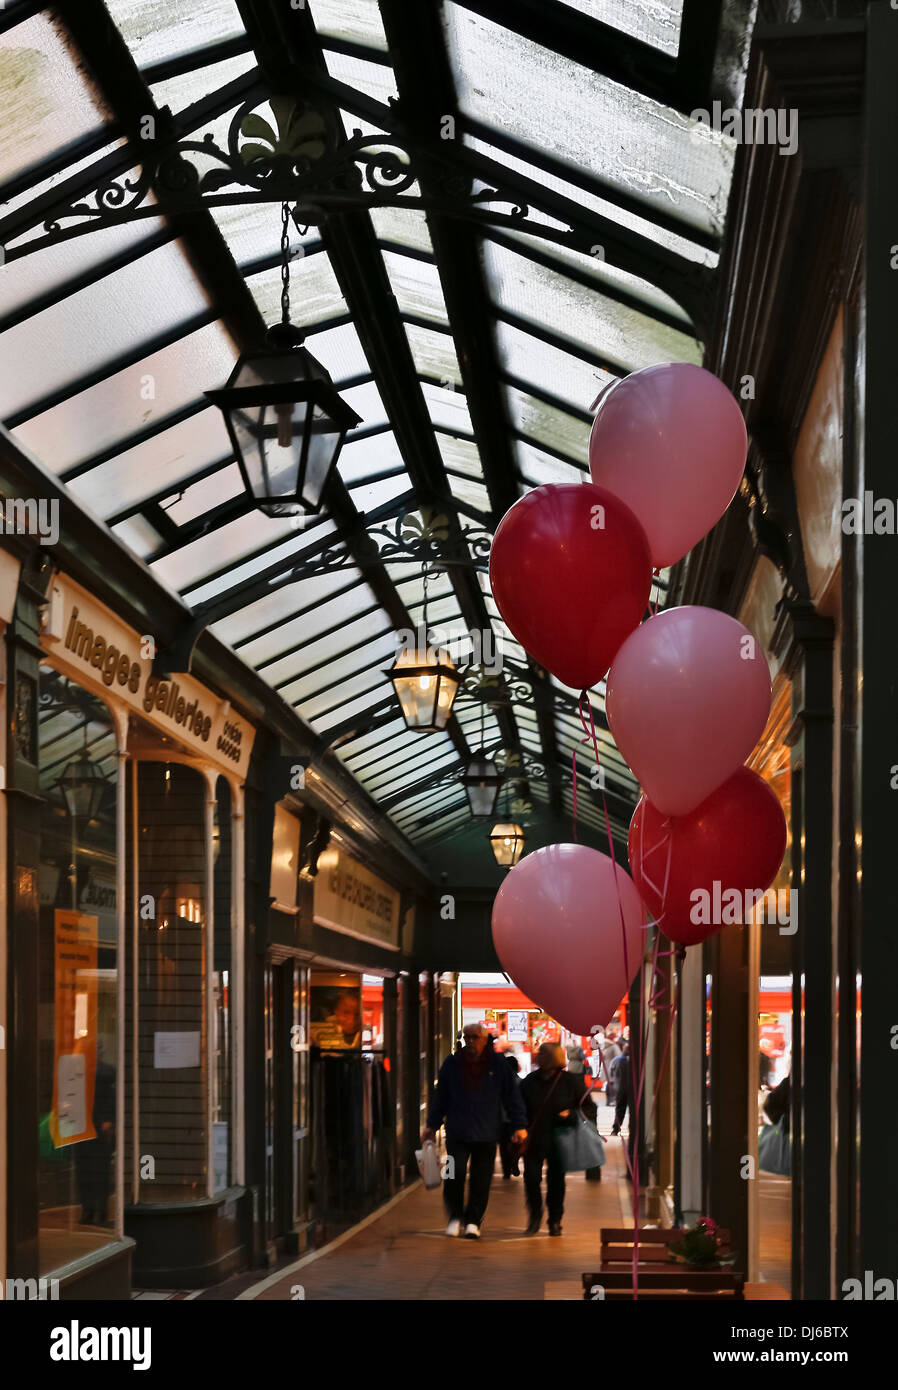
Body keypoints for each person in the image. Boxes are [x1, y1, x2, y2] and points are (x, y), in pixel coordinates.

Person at [423, 1023, 527, 1239]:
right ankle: (454, 1216)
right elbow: (440, 1097)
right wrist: (432, 1125)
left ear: (484, 1040)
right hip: (456, 1132)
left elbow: (512, 1098)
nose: (469, 1041)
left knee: (481, 1179)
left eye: (474, 1037)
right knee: (452, 1173)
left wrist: (519, 1125)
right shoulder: (452, 1064)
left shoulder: (497, 1065)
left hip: (487, 1133)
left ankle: (473, 1220)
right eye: (466, 1037)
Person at [520, 1042, 596, 1237]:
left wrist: (570, 1114)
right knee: (531, 1178)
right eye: (540, 1053)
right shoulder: (529, 1081)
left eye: (544, 1053)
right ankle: (535, 1214)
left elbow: (589, 1107)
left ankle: (555, 1220)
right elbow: (518, 1107)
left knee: (556, 1182)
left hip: (560, 1139)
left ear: (554, 1057)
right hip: (534, 1139)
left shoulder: (571, 1081)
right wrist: (519, 1127)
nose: (539, 1056)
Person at [499, 1053, 522, 1179]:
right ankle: (514, 1161)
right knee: (515, 1144)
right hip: (515, 1120)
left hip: (502, 1119)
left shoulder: (499, 1083)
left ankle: (506, 1170)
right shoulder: (521, 1082)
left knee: (503, 1145)